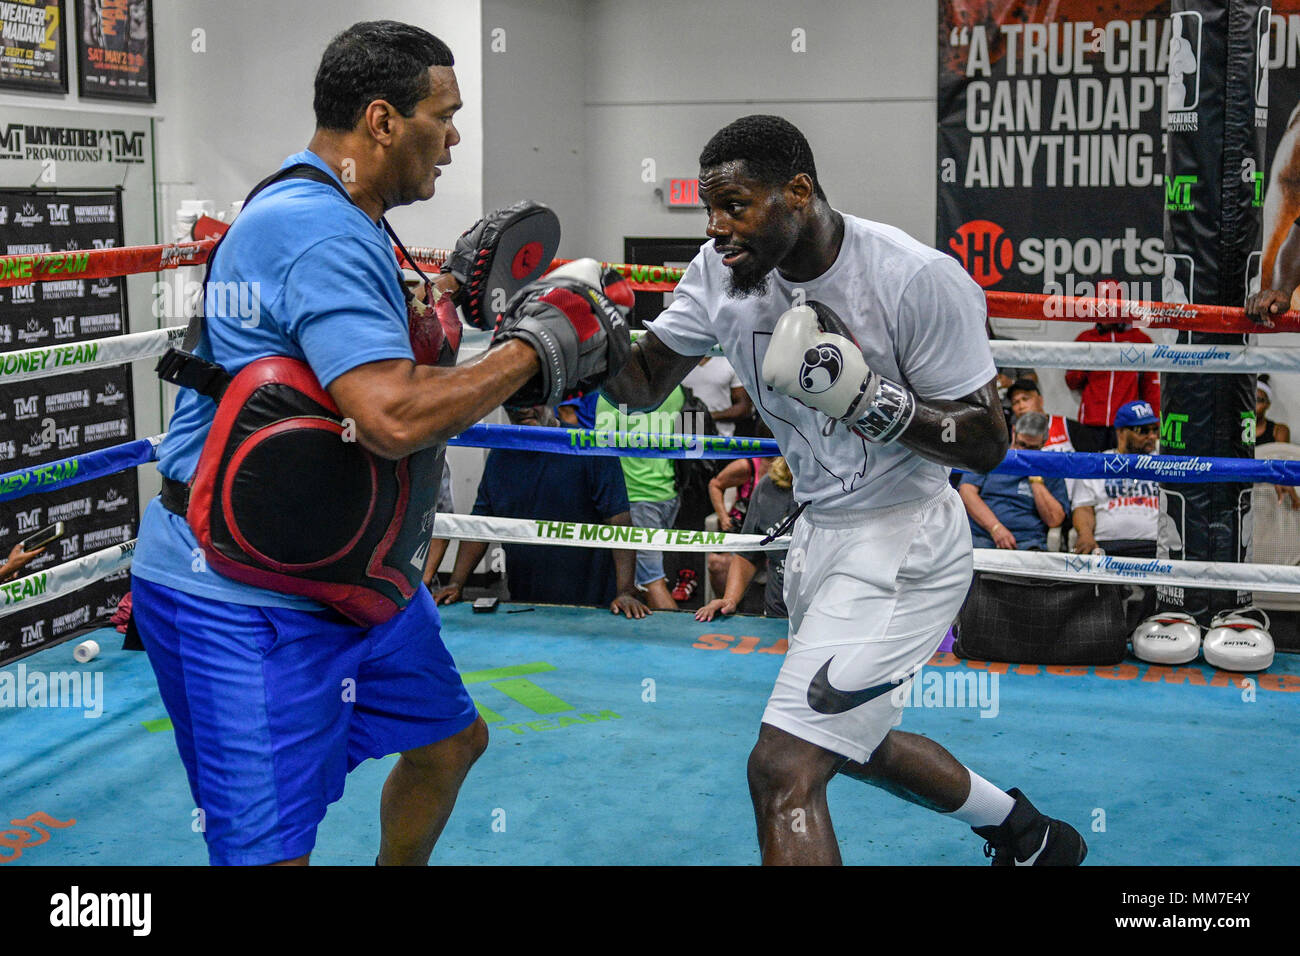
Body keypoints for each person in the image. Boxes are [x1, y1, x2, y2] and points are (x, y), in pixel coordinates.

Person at [128, 22, 627, 866]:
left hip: (352, 572)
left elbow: (368, 370)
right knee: (269, 854)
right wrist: (531, 349)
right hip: (245, 594)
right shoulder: (317, 229)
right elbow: (391, 416)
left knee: (447, 744)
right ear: (383, 121)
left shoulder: (349, 215)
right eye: (445, 115)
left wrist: (457, 314)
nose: (456, 136)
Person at [602, 114, 1086, 866]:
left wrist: (870, 401)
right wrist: (574, 336)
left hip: (903, 545)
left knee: (784, 769)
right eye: (710, 208)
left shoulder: (914, 278)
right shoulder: (718, 274)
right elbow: (640, 385)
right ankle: (1028, 834)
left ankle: (1027, 834)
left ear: (799, 191)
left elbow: (987, 443)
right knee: (847, 744)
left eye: (736, 205)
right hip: (817, 537)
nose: (716, 228)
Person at [434, 403, 648, 617]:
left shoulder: (589, 446)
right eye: (514, 401)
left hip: (591, 606)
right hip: (525, 603)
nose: (522, 409)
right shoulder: (500, 456)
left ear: (553, 397)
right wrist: (456, 582)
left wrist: (625, 591)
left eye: (532, 400)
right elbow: (481, 523)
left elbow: (619, 522)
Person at [594, 388, 686, 610]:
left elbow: (598, 446)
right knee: (643, 579)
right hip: (667, 491)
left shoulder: (612, 393)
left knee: (652, 582)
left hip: (637, 496)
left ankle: (676, 640)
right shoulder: (674, 387)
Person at [696, 456, 797, 620]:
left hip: (826, 619)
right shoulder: (768, 486)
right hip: (777, 615)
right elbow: (748, 554)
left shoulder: (841, 489)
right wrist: (729, 599)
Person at [958, 412, 1070, 551]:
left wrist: (1034, 476)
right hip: (982, 537)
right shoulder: (991, 455)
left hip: (1027, 542)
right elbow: (967, 492)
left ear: (1043, 443)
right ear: (1014, 432)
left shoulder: (1050, 467)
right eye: (1021, 444)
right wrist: (995, 528)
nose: (1025, 452)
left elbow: (1055, 519)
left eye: (1032, 448)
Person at [1071, 401, 1161, 558]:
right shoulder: (1098, 463)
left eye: (1155, 430)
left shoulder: (1165, 464)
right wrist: (1085, 534)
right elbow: (1083, 507)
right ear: (1121, 432)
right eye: (1143, 431)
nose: (1152, 436)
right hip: (1109, 545)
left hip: (1154, 545)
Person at [1064, 322, 1160, 451]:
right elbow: (1072, 381)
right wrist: (1088, 359)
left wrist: (1155, 426)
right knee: (1090, 469)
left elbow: (1151, 388)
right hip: (1091, 423)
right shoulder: (1085, 338)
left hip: (1127, 424)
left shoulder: (1141, 340)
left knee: (1124, 468)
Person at [705, 452, 771, 597]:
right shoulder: (747, 465)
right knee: (716, 562)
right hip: (746, 534)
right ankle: (727, 609)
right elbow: (715, 484)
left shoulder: (795, 465)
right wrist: (723, 517)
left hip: (777, 536)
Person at [1005, 377, 1103, 454]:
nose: (1021, 406)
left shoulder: (1067, 427)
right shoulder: (1012, 435)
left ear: (1040, 400)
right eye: (1015, 402)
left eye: (1025, 399)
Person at [681, 355, 753, 436]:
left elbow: (744, 408)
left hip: (721, 439)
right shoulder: (678, 363)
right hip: (681, 437)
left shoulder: (730, 362)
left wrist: (707, 416)